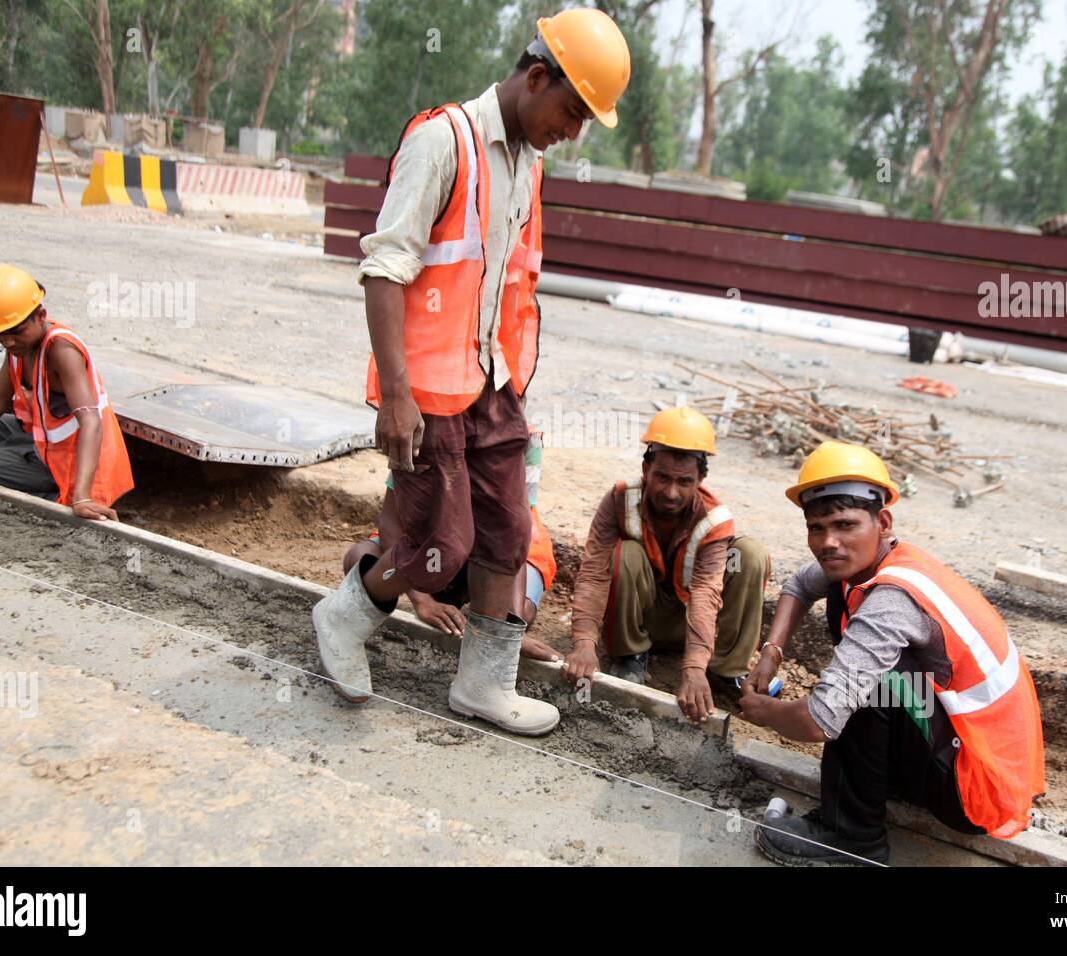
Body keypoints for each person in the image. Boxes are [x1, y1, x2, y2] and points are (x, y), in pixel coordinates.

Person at [312, 8, 631, 736]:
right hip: (424, 391)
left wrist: (511, 383)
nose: (573, 131)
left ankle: (485, 684)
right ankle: (344, 615)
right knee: (439, 547)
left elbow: (505, 284)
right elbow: (385, 269)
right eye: (571, 111)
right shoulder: (443, 140)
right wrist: (395, 397)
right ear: (536, 76)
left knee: (508, 535)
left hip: (489, 382)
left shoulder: (528, 163)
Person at [738, 441, 1046, 866]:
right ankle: (875, 784)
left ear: (882, 521)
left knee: (869, 682)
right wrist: (771, 653)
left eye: (845, 525)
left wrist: (762, 711)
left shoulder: (893, 598)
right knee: (845, 615)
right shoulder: (872, 562)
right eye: (816, 528)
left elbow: (818, 720)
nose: (829, 542)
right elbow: (798, 586)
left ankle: (851, 839)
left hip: (979, 786)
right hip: (960, 749)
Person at [562, 406, 770, 725]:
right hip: (641, 619)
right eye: (662, 477)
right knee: (626, 552)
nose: (671, 492)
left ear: (701, 479)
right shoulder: (620, 500)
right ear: (646, 468)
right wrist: (584, 643)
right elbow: (593, 573)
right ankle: (630, 655)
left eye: (684, 481)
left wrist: (694, 669)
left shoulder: (714, 520)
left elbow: (705, 593)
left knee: (750, 554)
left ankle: (724, 670)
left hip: (694, 624)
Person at [0, 264, 133, 520]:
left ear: (41, 315)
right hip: (41, 437)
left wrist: (82, 496)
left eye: (16, 332)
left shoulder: (61, 350)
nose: (8, 342)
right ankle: (13, 461)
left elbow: (90, 421)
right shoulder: (19, 347)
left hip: (66, 457)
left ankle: (51, 500)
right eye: (0, 334)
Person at [342, 430, 560, 660]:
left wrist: (507, 631)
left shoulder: (524, 440)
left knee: (520, 613)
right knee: (361, 560)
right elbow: (391, 522)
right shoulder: (423, 426)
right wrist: (422, 600)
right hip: (431, 540)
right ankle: (439, 586)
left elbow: (513, 536)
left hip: (494, 546)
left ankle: (470, 594)